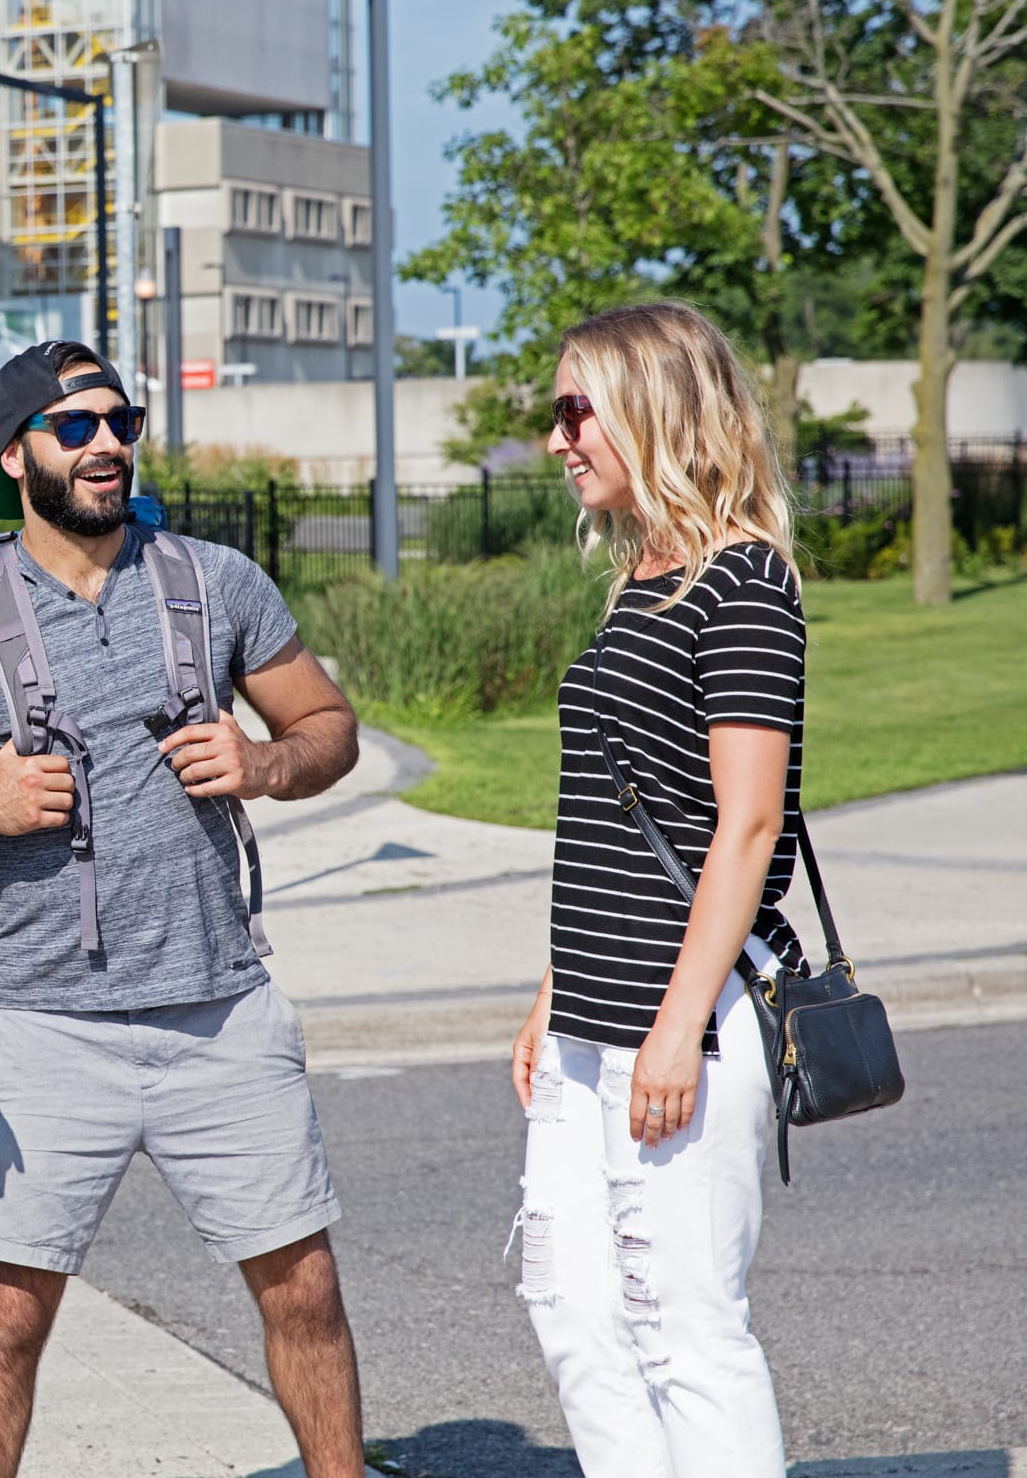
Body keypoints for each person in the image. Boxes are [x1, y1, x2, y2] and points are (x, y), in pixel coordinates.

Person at [0, 340, 368, 1478]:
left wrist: (264, 763)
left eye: (119, 421)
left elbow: (329, 729)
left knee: (305, 1293)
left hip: (223, 1010)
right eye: (75, 428)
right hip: (46, 1027)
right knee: (11, 1319)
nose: (107, 444)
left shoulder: (216, 581)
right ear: (15, 453)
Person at [510, 301, 811, 1476]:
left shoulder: (740, 581)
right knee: (575, 1313)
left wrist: (679, 1024)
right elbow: (611, 815)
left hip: (684, 1017)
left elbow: (745, 827)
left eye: (578, 410)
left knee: (685, 1326)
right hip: (591, 1020)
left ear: (655, 407)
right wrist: (551, 992)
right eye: (557, 414)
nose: (559, 438)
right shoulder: (643, 579)